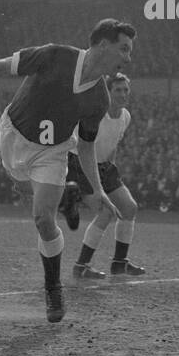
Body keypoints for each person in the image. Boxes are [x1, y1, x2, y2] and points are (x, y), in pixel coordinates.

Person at [0, 19, 135, 323]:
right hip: (13, 135)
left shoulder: (99, 99)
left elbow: (87, 146)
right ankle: (65, 199)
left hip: (54, 151)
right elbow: (0, 66)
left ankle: (53, 288)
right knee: (29, 200)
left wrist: (98, 188)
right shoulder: (55, 56)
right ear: (103, 44)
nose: (128, 57)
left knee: (42, 218)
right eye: (124, 48)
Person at [63, 73, 146, 279]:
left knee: (129, 207)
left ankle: (119, 263)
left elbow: (113, 145)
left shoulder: (125, 116)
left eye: (126, 90)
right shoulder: (97, 115)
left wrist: (112, 171)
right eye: (117, 90)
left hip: (104, 166)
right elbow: (83, 147)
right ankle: (81, 265)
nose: (123, 94)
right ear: (108, 92)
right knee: (106, 212)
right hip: (81, 165)